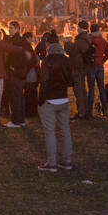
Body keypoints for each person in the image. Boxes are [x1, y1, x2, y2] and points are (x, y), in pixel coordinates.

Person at [37, 36, 74, 172]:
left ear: (48, 45)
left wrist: (40, 99)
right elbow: (71, 80)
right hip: (63, 99)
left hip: (50, 100)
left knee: (50, 132)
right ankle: (67, 161)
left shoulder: (47, 61)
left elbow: (44, 82)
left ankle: (52, 163)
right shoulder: (66, 60)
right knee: (65, 131)